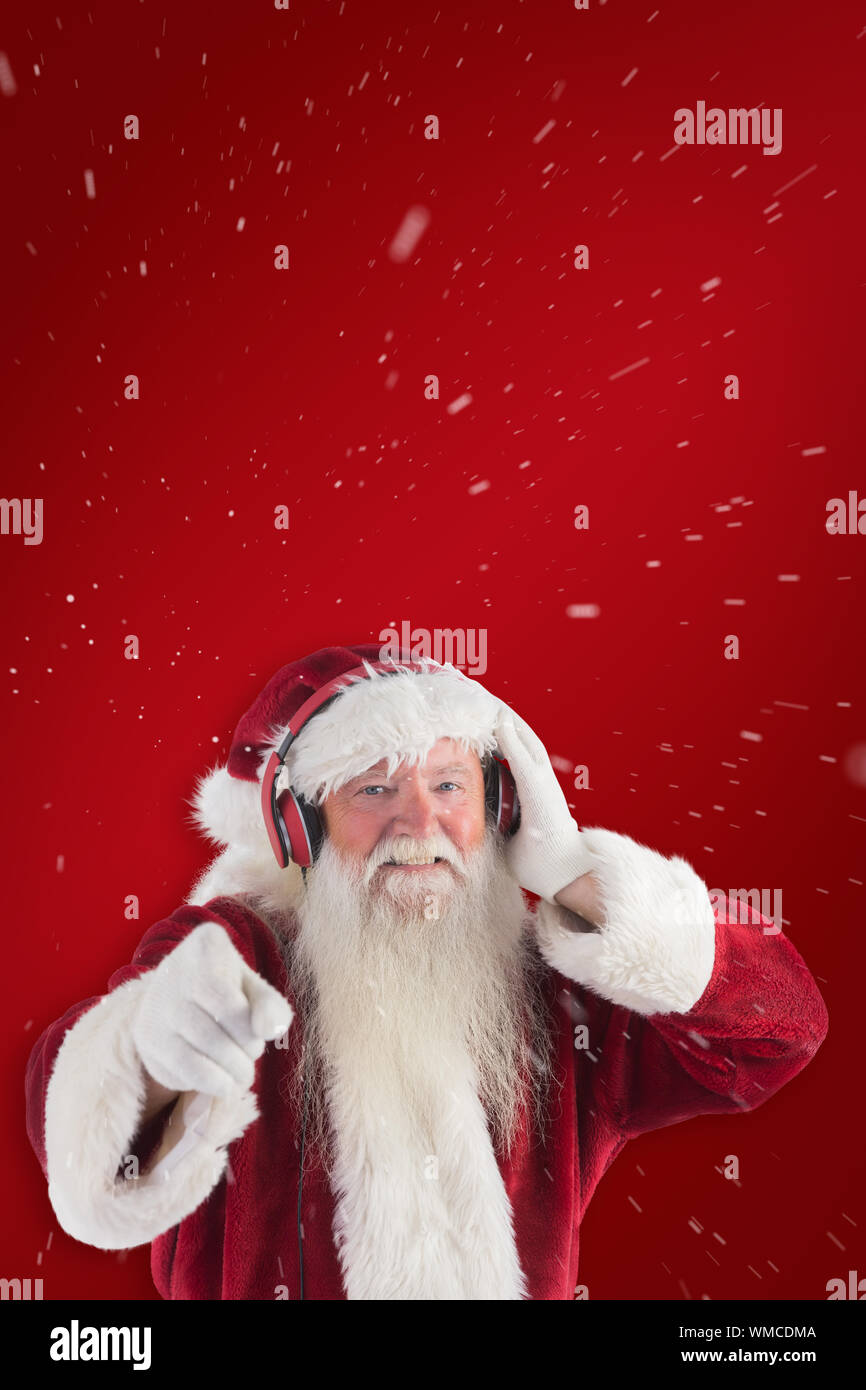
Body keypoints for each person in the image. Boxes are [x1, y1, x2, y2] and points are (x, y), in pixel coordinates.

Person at [25, 644, 829, 1300]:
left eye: (450, 785)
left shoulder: (556, 994)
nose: (421, 822)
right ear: (298, 831)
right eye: (376, 788)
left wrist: (581, 876)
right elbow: (83, 1143)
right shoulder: (235, 952)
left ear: (498, 811)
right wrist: (148, 1055)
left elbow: (779, 1032)